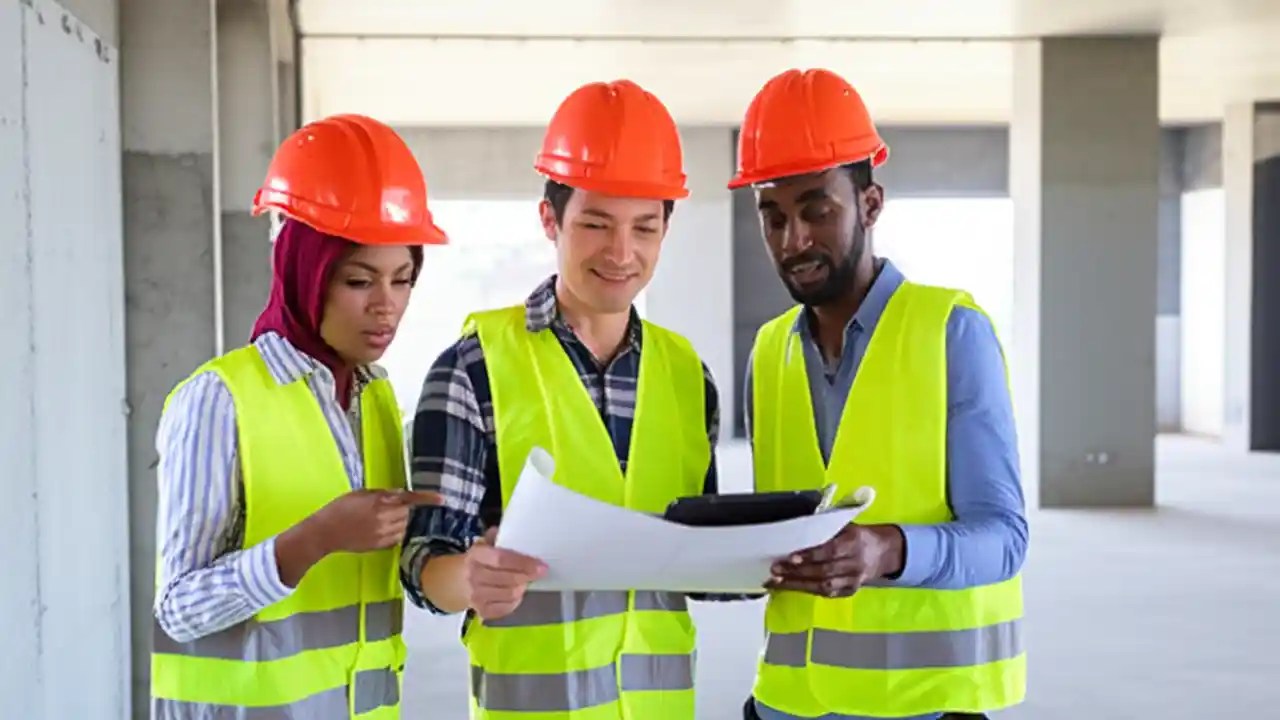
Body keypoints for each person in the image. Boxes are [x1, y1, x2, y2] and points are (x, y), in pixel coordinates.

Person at [401, 79, 729, 719]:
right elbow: (423, 564)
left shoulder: (690, 377)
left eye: (644, 227)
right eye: (595, 224)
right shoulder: (472, 368)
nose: (621, 253)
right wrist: (471, 576)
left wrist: (767, 560)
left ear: (666, 227)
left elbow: (695, 560)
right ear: (550, 220)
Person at [731, 69, 1029, 720]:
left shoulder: (951, 332)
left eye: (817, 211)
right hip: (788, 703)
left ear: (870, 205)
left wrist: (887, 550)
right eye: (773, 217)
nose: (793, 241)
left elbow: (1005, 538)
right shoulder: (770, 351)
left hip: (925, 706)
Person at [150, 113, 448, 719]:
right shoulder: (218, 400)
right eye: (359, 281)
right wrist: (315, 539)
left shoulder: (376, 398)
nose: (386, 306)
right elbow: (179, 608)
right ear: (303, 273)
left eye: (403, 280)